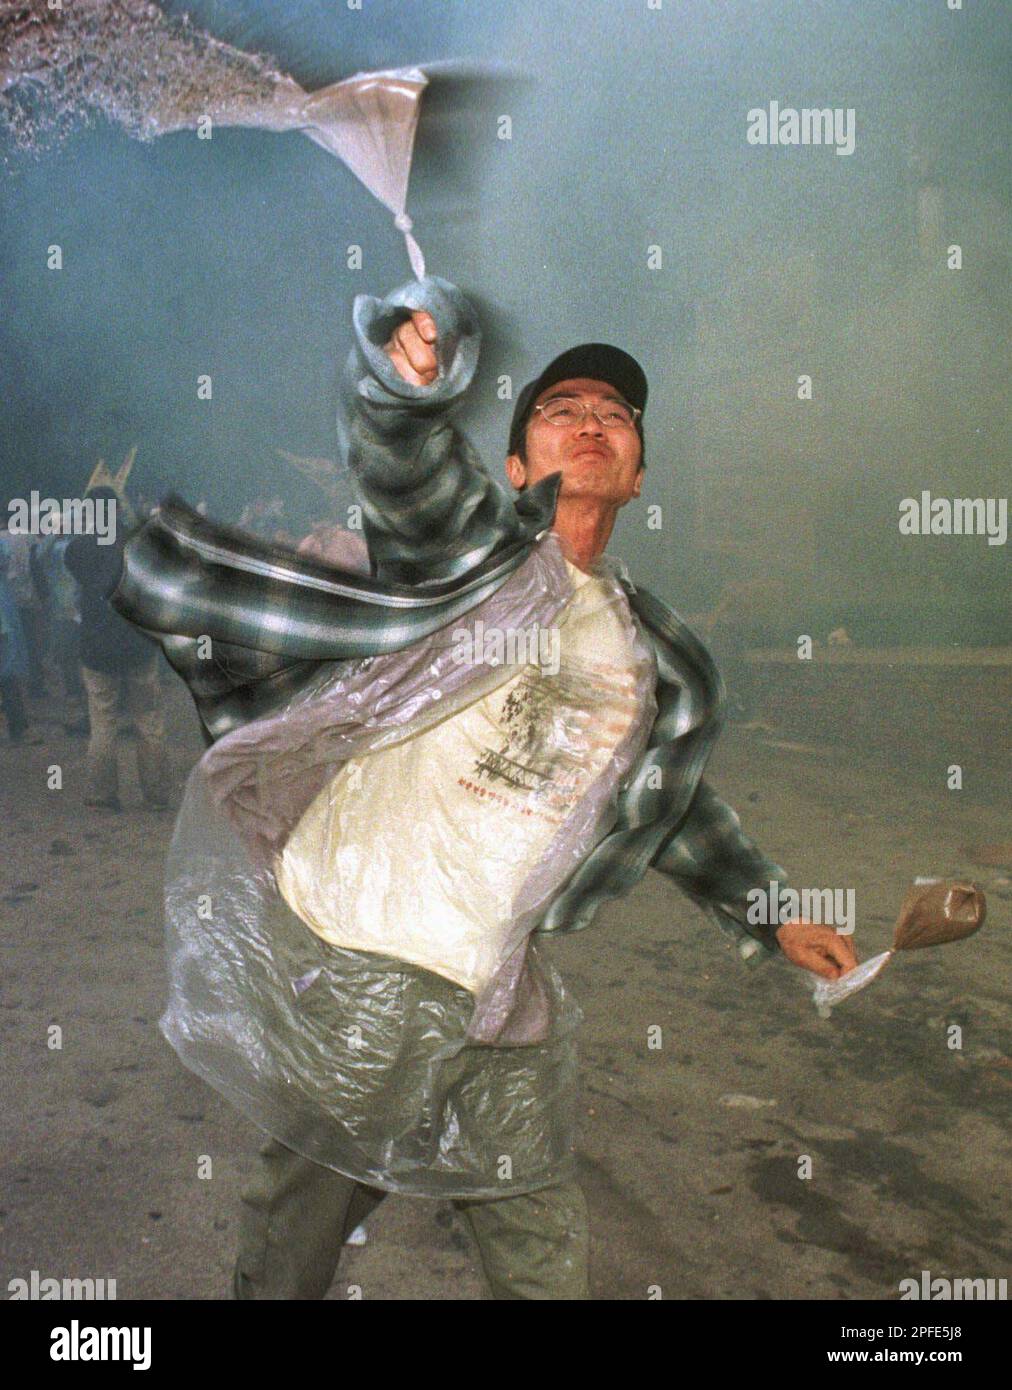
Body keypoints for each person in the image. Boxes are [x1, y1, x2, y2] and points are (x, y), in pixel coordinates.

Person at [112, 276, 857, 1300]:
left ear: (639, 474)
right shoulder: (465, 559)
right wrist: (402, 386)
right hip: (363, 958)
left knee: (539, 1249)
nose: (591, 422)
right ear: (516, 468)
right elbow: (404, 465)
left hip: (497, 995)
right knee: (296, 1239)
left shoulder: (653, 657)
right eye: (560, 410)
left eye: (616, 415)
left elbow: (671, 809)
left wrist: (775, 915)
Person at [64, 486, 169, 812]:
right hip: (138, 644)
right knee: (148, 721)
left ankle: (101, 796)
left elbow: (77, 576)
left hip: (97, 647)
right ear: (118, 509)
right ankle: (156, 796)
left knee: (103, 722)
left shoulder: (78, 549)